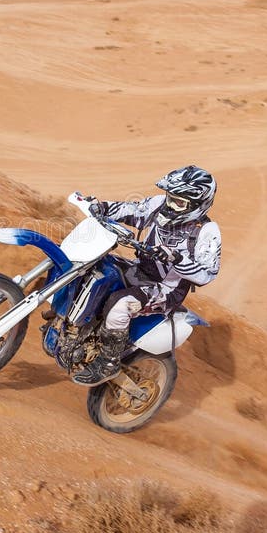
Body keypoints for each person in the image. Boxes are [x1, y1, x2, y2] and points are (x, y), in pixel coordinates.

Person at [71, 165, 221, 386]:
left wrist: (176, 258)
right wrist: (102, 207)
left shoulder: (207, 232)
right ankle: (72, 323)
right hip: (140, 269)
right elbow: (132, 210)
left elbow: (207, 274)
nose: (170, 205)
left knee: (119, 305)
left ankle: (108, 362)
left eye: (179, 203)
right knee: (95, 268)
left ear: (198, 205)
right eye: (171, 197)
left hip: (166, 289)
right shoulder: (159, 204)